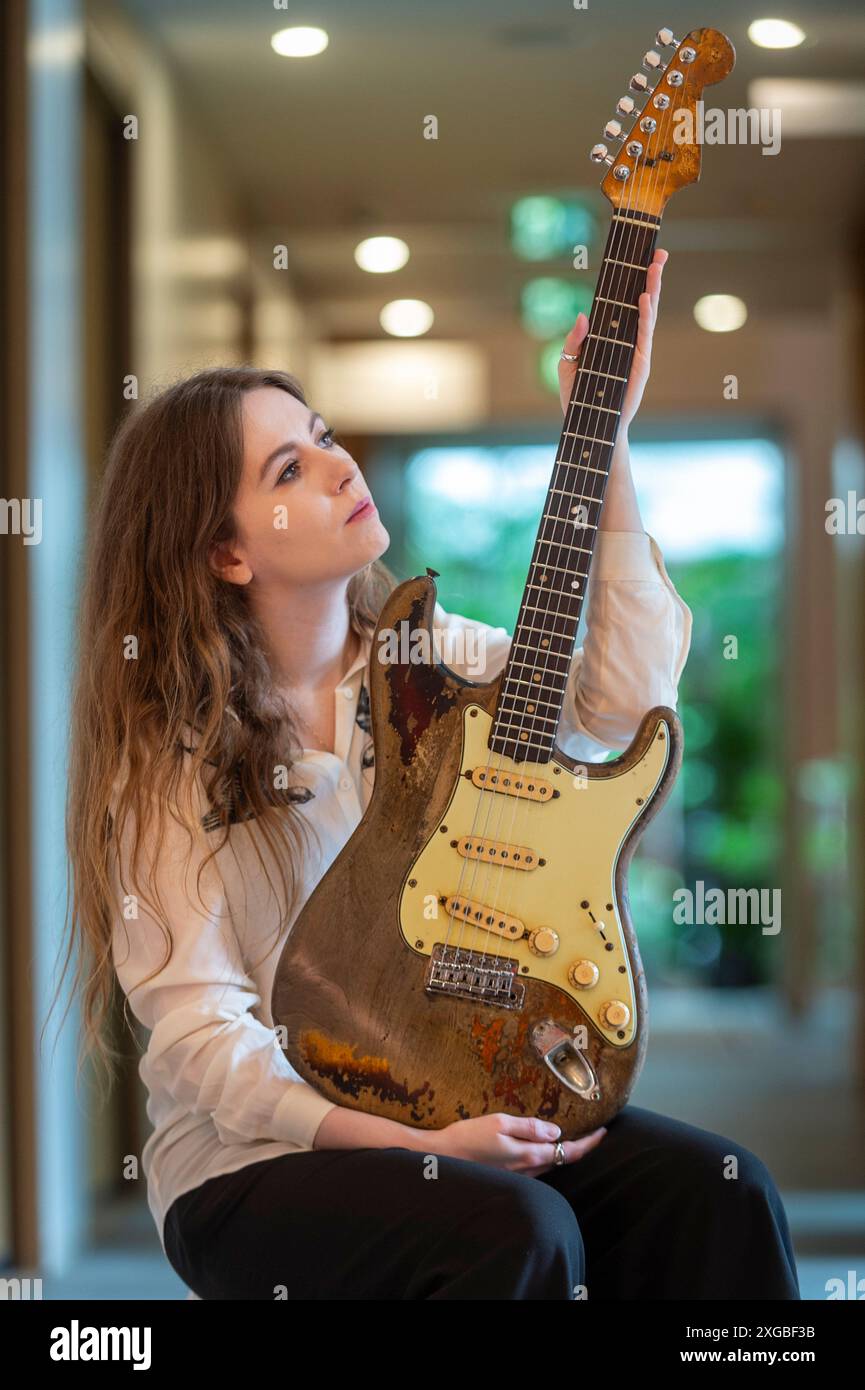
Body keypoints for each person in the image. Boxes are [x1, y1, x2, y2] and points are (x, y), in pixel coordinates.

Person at [60, 250, 800, 1300]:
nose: (339, 467)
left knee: (722, 1194)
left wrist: (610, 435)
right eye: (289, 471)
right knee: (515, 1231)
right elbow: (197, 1035)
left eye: (321, 439)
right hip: (261, 1160)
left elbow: (623, 705)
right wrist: (420, 1145)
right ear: (227, 553)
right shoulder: (162, 751)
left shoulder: (425, 655)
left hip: (455, 1092)